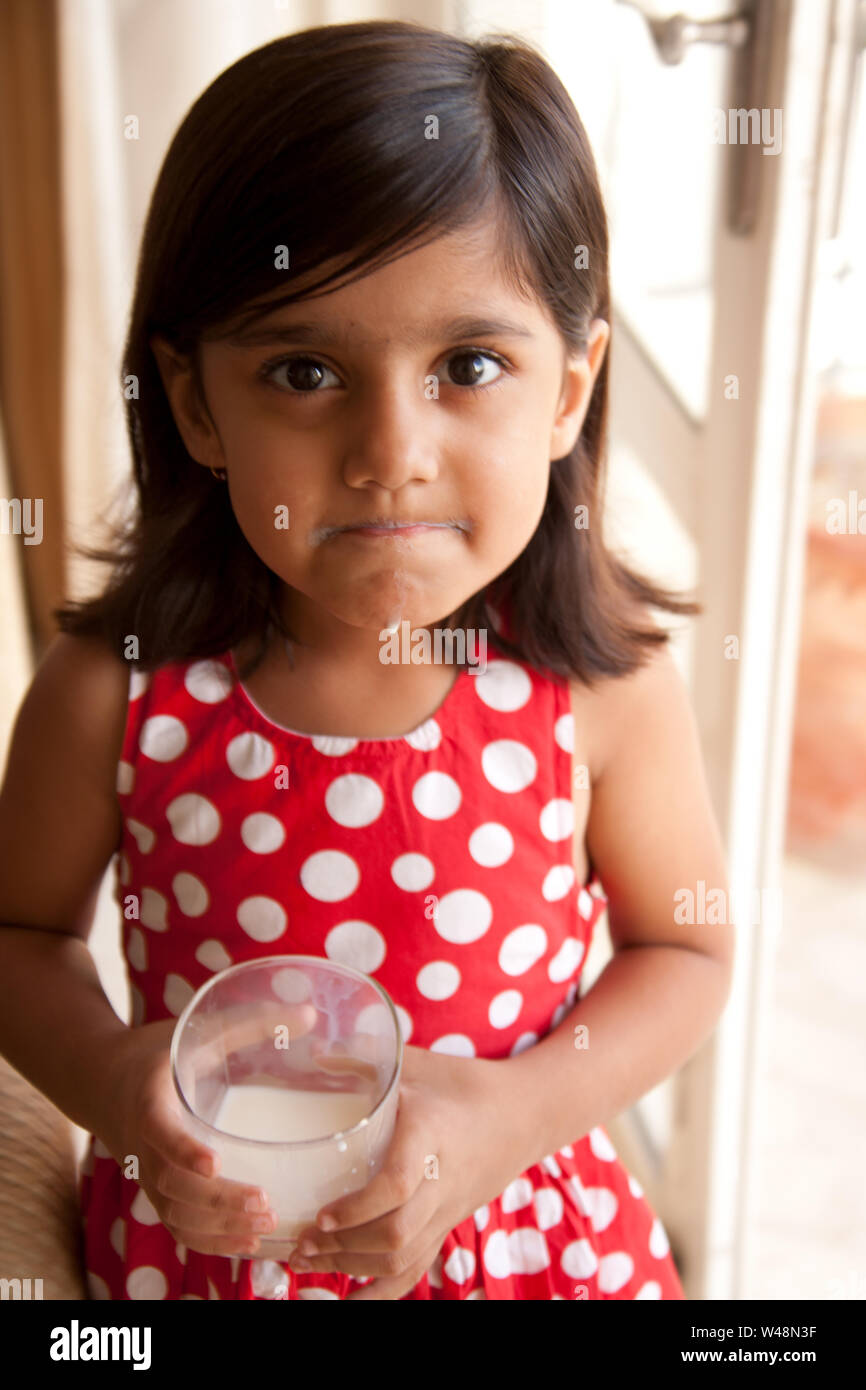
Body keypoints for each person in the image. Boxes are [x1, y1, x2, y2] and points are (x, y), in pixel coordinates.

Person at [0, 19, 733, 1300]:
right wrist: (119, 1081)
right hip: (214, 1258)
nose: (388, 448)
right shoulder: (116, 697)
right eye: (303, 369)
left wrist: (515, 1113)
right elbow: (15, 936)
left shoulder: (599, 694)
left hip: (523, 1254)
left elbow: (686, 951)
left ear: (566, 388)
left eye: (467, 364)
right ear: (193, 405)